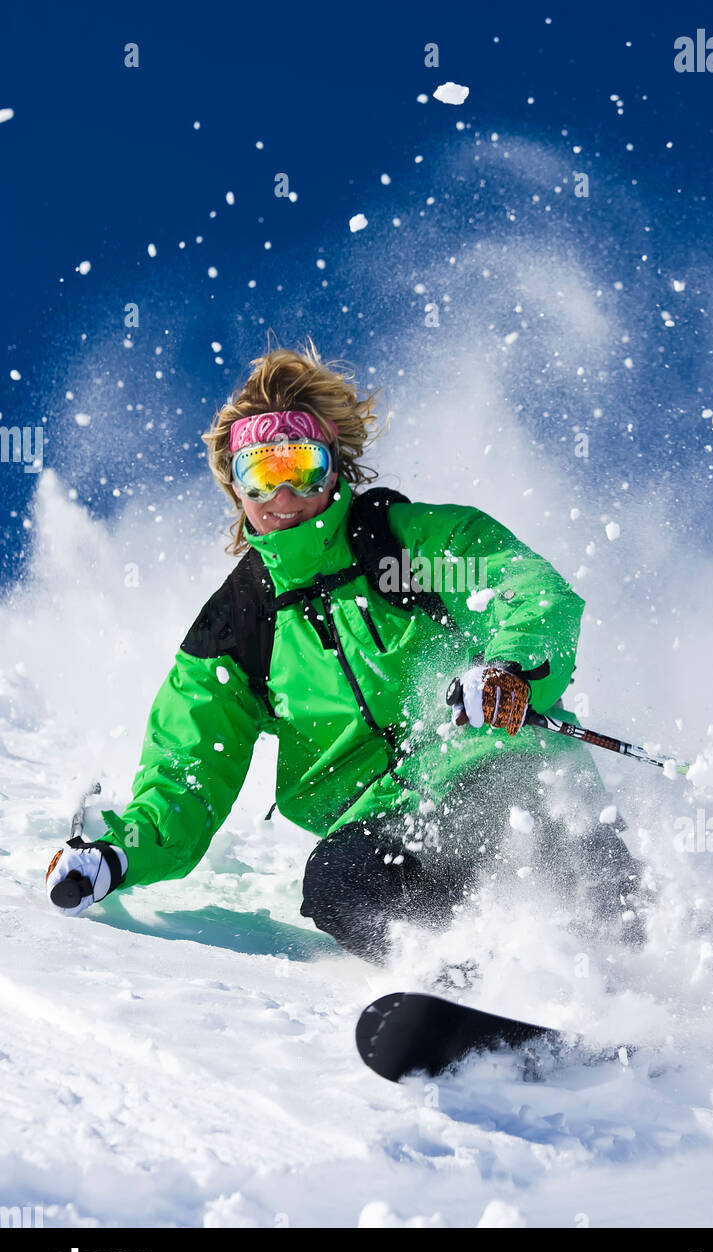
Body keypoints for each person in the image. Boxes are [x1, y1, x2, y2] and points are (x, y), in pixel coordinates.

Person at [45, 342, 645, 962]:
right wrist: (120, 854)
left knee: (526, 821)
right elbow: (186, 772)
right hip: (387, 821)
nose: (282, 495)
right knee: (338, 881)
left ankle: (641, 956)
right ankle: (475, 982)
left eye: (300, 467)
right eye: (260, 473)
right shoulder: (239, 627)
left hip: (488, 766)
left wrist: (509, 669)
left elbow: (526, 590)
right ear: (235, 487)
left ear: (334, 468)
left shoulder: (404, 546)